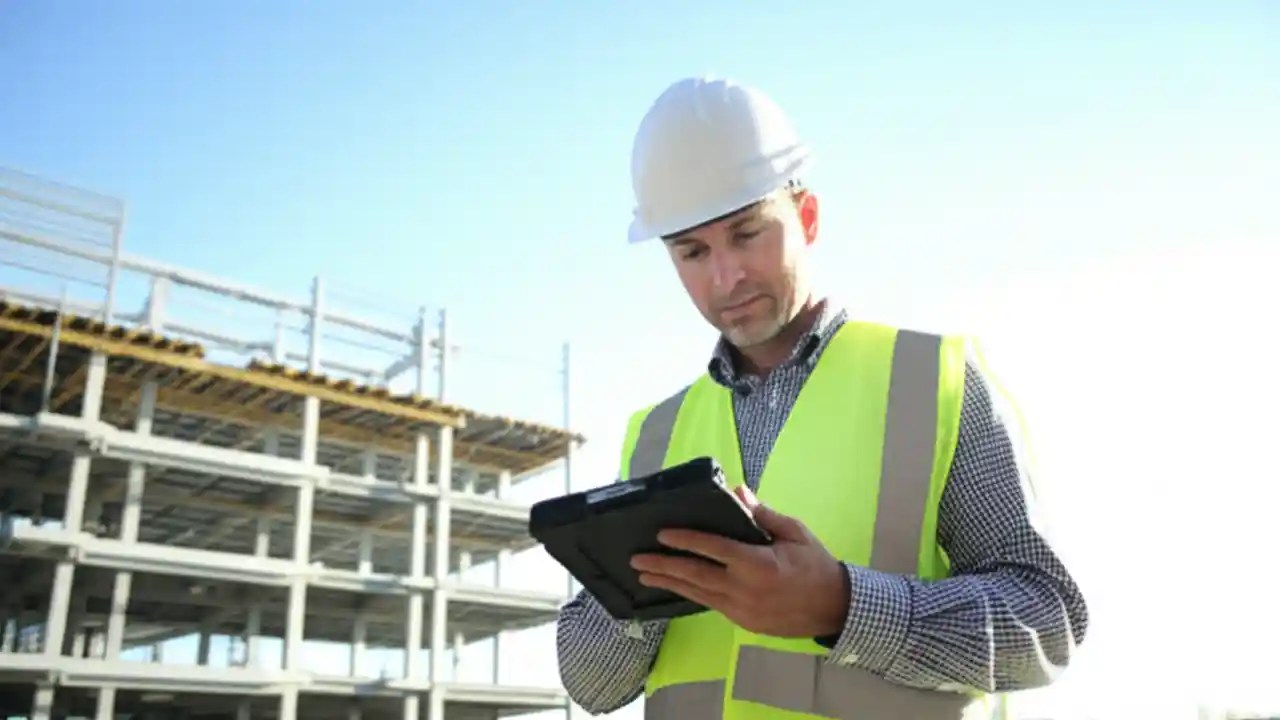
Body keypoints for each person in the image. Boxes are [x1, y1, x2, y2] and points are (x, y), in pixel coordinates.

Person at [555, 76, 1089, 719]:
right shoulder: (656, 436)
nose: (726, 277)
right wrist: (645, 588)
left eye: (747, 233)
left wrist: (843, 606)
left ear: (806, 217)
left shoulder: (932, 381)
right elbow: (589, 686)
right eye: (692, 251)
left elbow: (1047, 623)